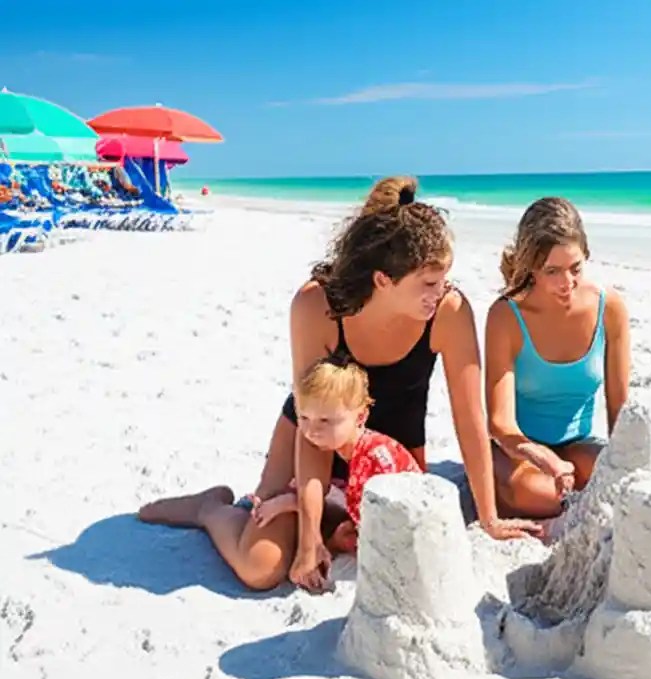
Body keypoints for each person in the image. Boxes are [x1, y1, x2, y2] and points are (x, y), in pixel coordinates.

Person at [138, 176, 541, 594]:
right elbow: (310, 421)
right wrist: (308, 540)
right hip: (312, 435)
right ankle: (211, 509)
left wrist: (490, 517)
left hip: (388, 458)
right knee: (261, 567)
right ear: (384, 279)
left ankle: (325, 517)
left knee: (388, 545)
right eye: (428, 283)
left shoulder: (449, 311)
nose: (441, 293)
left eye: (443, 280)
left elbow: (470, 420)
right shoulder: (317, 306)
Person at [484, 197, 631, 518]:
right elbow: (499, 422)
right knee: (535, 494)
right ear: (530, 267)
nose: (567, 283)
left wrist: (621, 462)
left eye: (575, 268)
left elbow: (619, 409)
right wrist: (543, 458)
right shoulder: (506, 315)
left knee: (617, 479)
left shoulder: (610, 308)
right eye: (552, 271)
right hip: (518, 450)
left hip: (578, 445)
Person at [248, 355, 423, 555]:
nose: (312, 431)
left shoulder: (371, 462)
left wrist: (289, 504)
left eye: (325, 420)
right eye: (304, 418)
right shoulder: (348, 447)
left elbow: (375, 527)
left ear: (361, 416)